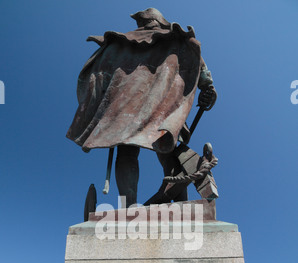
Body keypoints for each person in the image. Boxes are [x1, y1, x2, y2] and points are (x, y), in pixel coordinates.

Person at [67, 8, 217, 207]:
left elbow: (98, 73)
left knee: (136, 150)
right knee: (167, 149)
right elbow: (199, 61)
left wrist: (208, 87)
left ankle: (128, 207)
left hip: (128, 107)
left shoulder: (120, 43)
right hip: (161, 106)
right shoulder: (175, 38)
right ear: (160, 21)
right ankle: (177, 204)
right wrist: (208, 86)